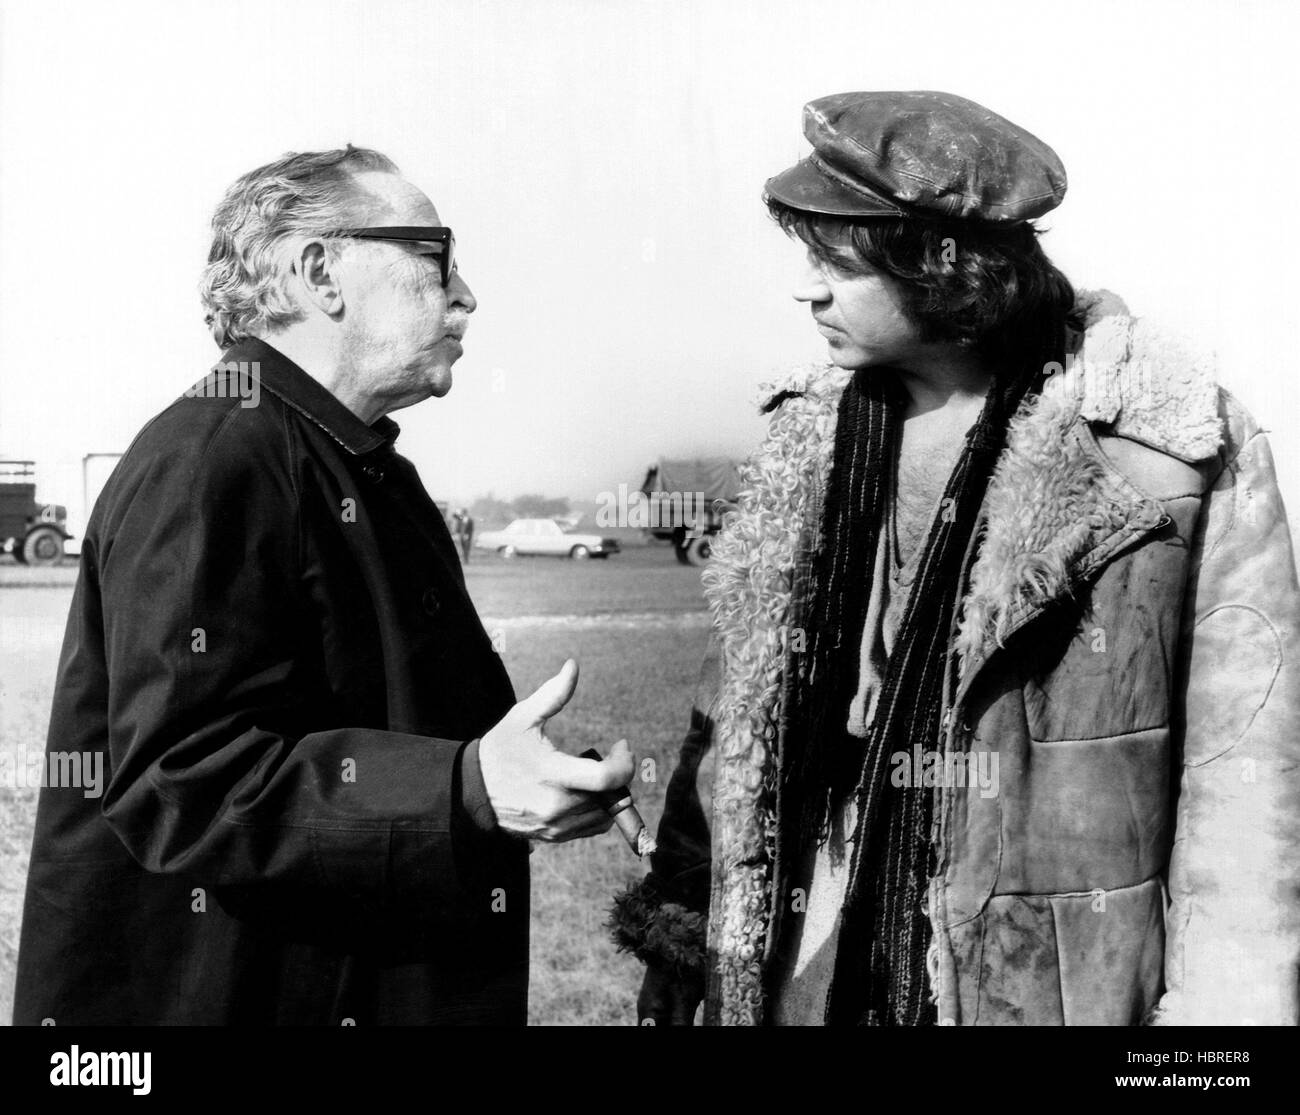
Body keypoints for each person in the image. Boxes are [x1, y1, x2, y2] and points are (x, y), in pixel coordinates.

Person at [611, 91, 1300, 1026]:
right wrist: (681, 940)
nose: (804, 290)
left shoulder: (1172, 447)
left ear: (943, 264)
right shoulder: (806, 445)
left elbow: (1247, 800)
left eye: (832, 261)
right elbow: (726, 733)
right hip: (802, 970)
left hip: (1038, 994)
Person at [14, 145, 633, 1026]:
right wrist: (462, 789)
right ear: (320, 274)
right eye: (436, 255)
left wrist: (522, 769)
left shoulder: (357, 465)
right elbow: (181, 780)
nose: (466, 294)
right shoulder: (214, 459)